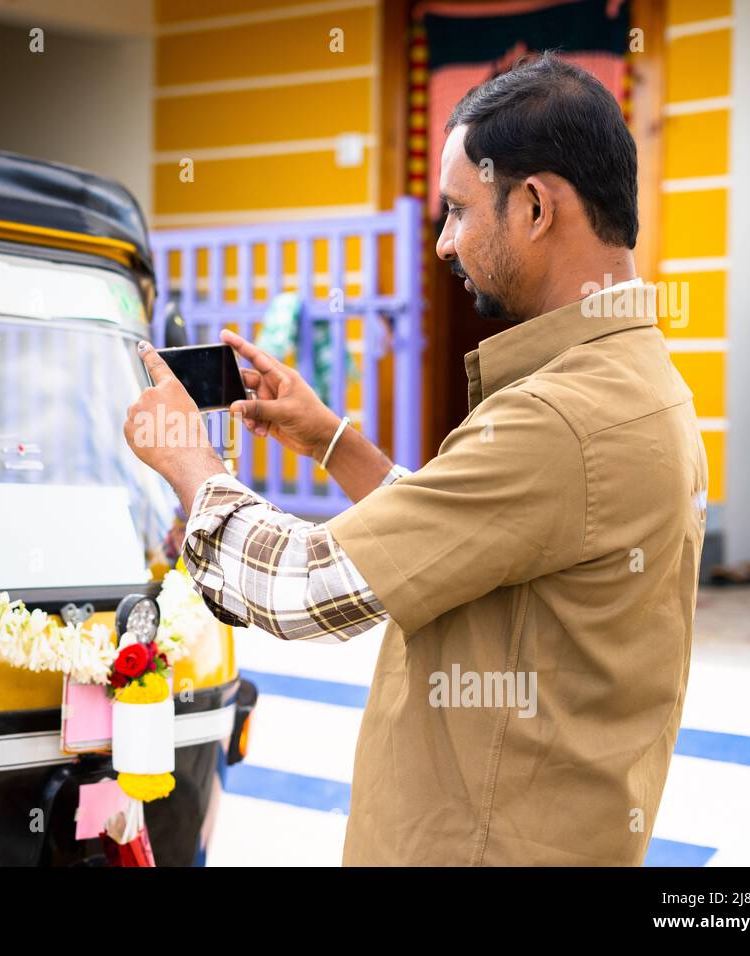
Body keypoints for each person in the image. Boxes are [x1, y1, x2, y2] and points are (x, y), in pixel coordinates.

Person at [123, 53, 708, 866]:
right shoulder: (638, 383)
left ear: (536, 206)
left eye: (459, 211)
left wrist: (190, 465)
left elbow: (305, 588)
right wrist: (331, 441)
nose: (441, 244)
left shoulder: (561, 418)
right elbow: (474, 542)